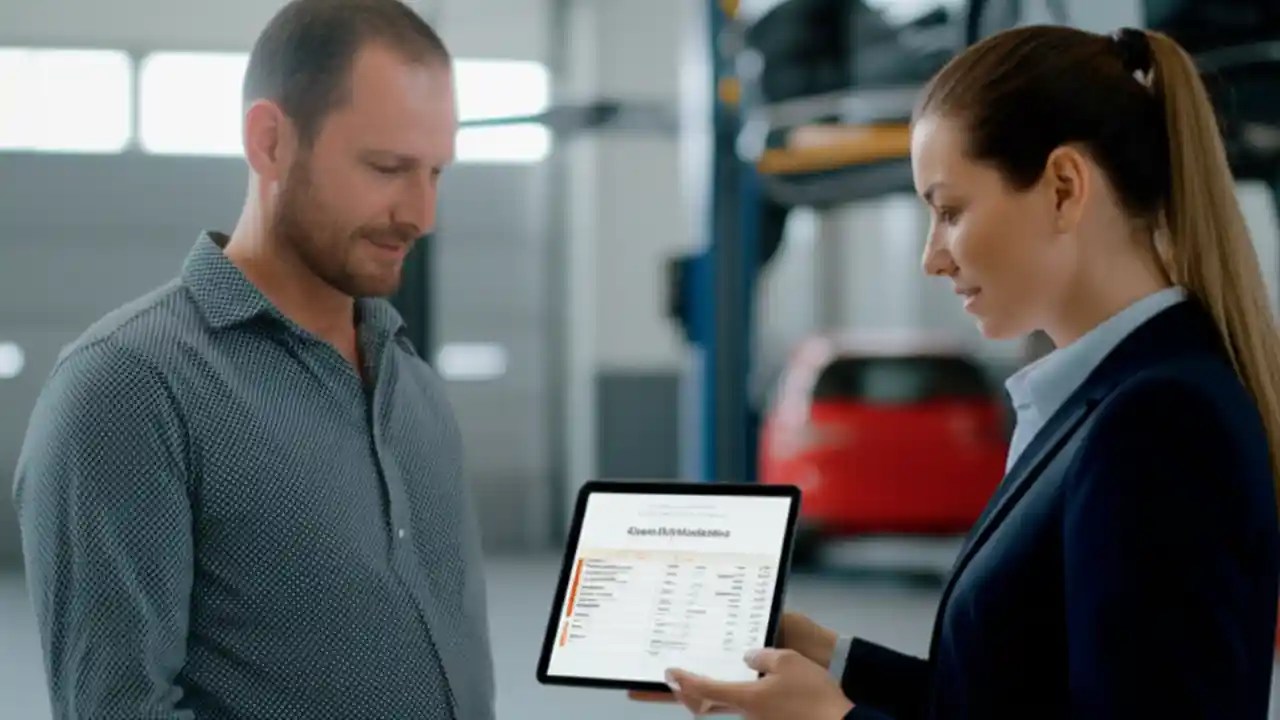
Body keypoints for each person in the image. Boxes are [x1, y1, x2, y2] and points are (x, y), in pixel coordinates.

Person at [640, 24, 1280, 720]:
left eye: (949, 211)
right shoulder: (1105, 401)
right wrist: (831, 656)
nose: (931, 257)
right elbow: (1005, 702)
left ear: (1064, 188)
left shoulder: (1159, 422)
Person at [11, 1, 495, 718]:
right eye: (387, 167)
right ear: (270, 142)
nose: (421, 213)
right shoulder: (129, 389)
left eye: (436, 172)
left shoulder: (409, 382)